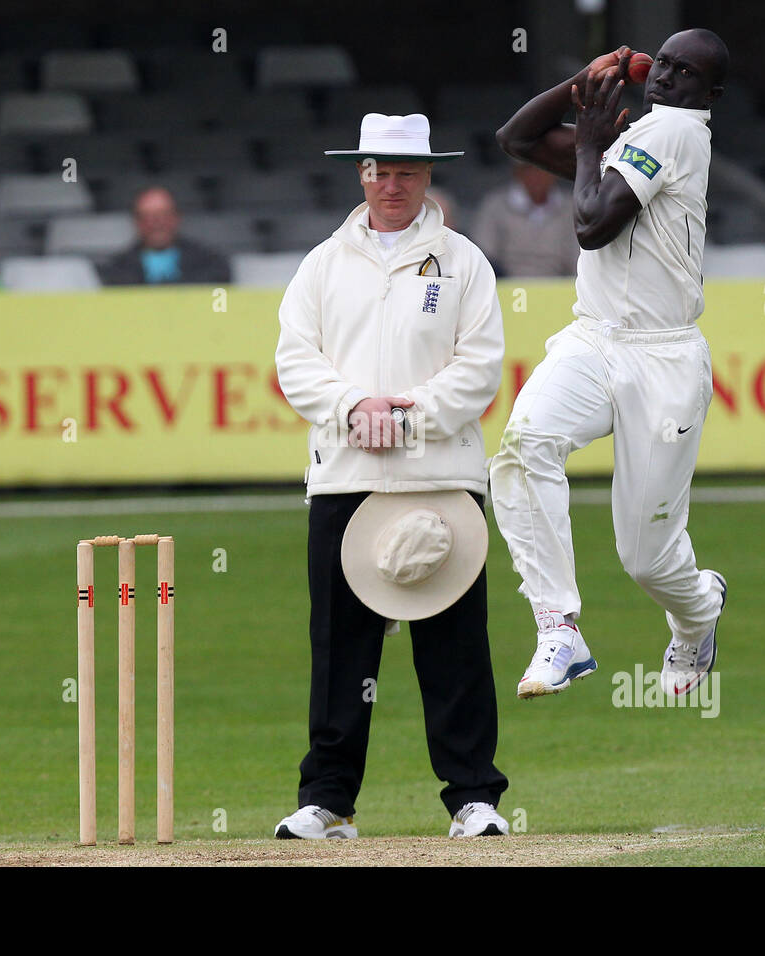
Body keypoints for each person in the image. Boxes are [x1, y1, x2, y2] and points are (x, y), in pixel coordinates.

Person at [273, 113, 509, 839]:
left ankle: (475, 799)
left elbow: (480, 369)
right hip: (346, 476)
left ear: (428, 175)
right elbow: (295, 362)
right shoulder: (322, 262)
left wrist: (407, 417)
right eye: (378, 170)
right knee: (343, 647)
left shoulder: (463, 261)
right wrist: (354, 406)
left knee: (453, 646)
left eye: (406, 172)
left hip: (439, 475)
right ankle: (328, 801)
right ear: (360, 174)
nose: (391, 184)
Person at [488, 30, 731, 700]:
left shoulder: (678, 133)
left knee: (646, 560)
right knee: (523, 445)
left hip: (665, 356)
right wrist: (581, 85)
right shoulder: (640, 134)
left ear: (708, 95)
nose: (664, 76)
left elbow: (593, 224)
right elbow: (515, 139)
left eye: (684, 72)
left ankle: (698, 612)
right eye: (664, 63)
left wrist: (592, 139)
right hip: (595, 338)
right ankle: (557, 627)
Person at [100, 187, 230, 286]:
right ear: (137, 222)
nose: (157, 224)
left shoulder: (209, 262)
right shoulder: (118, 268)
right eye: (148, 216)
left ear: (176, 218)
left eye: (163, 215)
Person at [472, 161, 579, 277]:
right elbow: (484, 256)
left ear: (554, 173)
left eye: (544, 169)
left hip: (560, 287)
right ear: (518, 172)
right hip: (506, 287)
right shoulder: (494, 205)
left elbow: (578, 260)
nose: (537, 175)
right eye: (530, 169)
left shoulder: (571, 207)